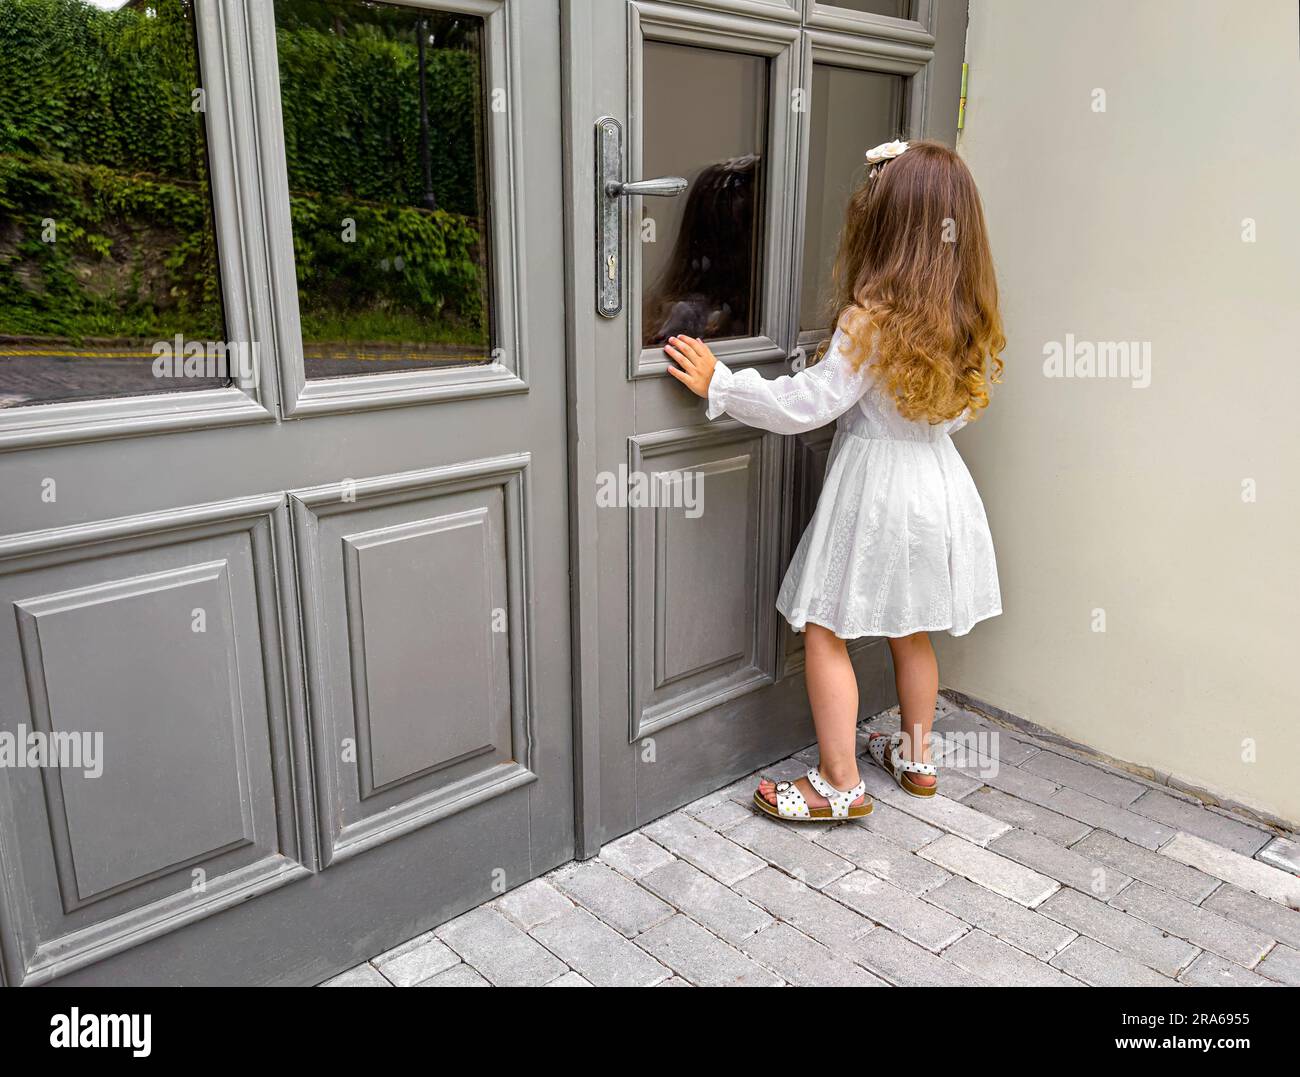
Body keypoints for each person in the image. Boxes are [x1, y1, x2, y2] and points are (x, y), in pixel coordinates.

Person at [664, 139, 1005, 821]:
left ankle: (838, 781)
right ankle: (917, 758)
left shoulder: (871, 320)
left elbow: (808, 402)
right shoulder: (963, 315)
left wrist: (724, 384)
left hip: (877, 493)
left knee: (824, 626)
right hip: (938, 485)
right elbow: (958, 412)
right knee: (913, 630)